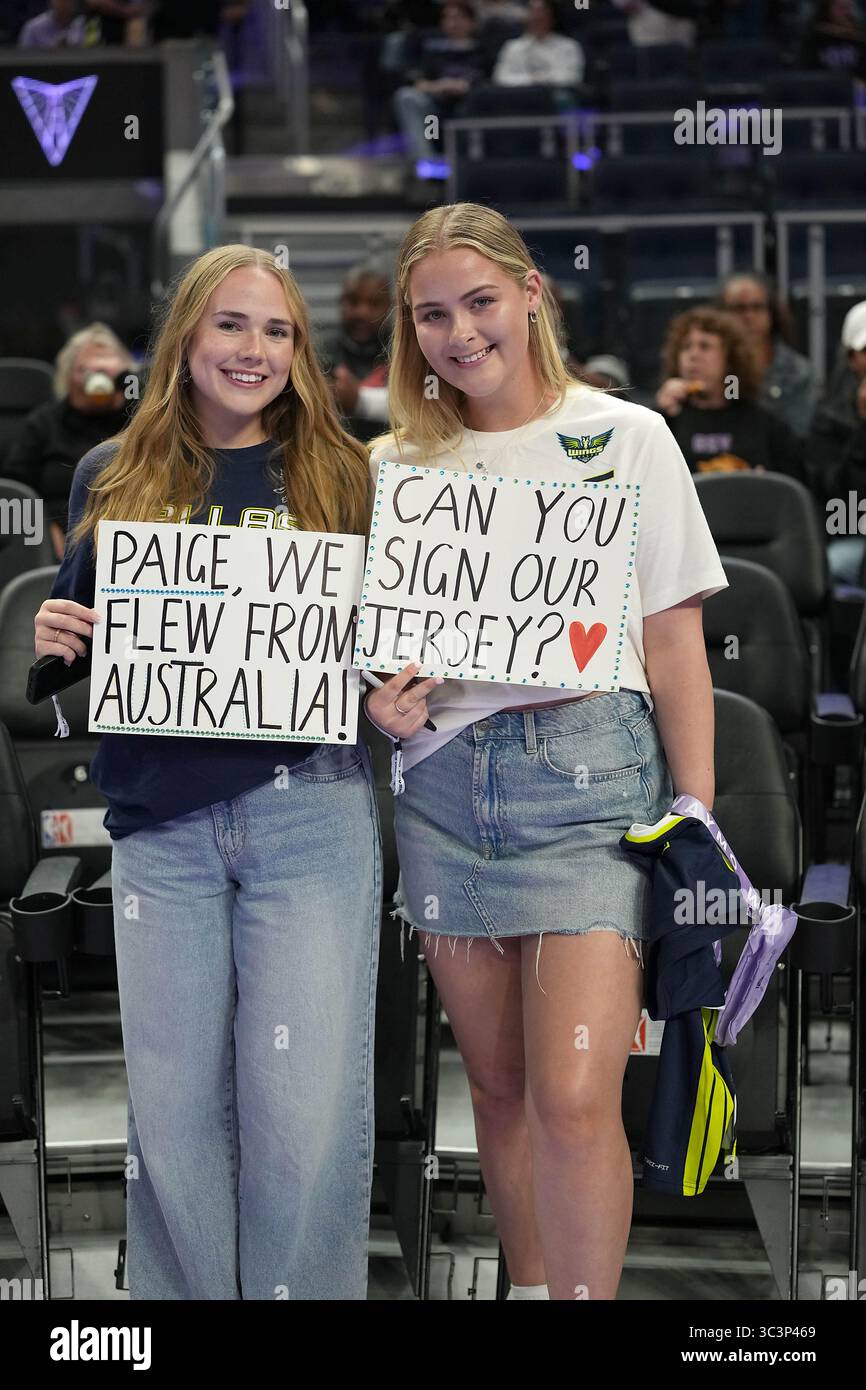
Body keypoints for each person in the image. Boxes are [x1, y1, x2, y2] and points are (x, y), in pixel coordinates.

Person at [363, 201, 729, 1300]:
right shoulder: (388, 462)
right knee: (502, 1088)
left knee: (575, 1094)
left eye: (479, 301)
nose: (458, 332)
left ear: (531, 294)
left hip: (591, 786)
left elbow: (671, 641)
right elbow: (373, 654)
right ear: (408, 330)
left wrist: (695, 817)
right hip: (442, 788)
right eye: (432, 315)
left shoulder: (628, 436)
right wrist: (381, 705)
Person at [32, 245, 382, 1299]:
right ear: (185, 338)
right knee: (174, 1110)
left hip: (311, 818)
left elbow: (370, 658)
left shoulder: (346, 474)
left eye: (277, 330)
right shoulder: (113, 475)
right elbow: (76, 664)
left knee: (303, 1108)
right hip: (162, 828)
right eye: (231, 325)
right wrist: (60, 634)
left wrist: (389, 704)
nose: (254, 349)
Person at [4, 323, 137, 560]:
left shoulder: (139, 418)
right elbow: (15, 491)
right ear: (69, 376)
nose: (98, 375)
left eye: (107, 368)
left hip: (130, 536)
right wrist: (42, 530)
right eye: (85, 368)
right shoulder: (45, 423)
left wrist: (125, 382)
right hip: (57, 539)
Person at [655, 305, 804, 478]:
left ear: (731, 360)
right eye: (686, 347)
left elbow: (794, 492)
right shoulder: (664, 423)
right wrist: (659, 413)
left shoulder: (766, 425)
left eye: (705, 346)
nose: (693, 355)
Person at [806, 299, 866, 582]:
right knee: (834, 565)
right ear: (852, 358)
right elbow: (837, 501)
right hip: (854, 537)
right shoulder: (829, 418)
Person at [718, 271, 818, 439]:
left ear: (772, 314)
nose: (748, 316)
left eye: (757, 307)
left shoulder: (797, 371)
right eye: (738, 308)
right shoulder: (713, 367)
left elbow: (799, 434)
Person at [393, 1, 493, 165]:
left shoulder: (483, 51)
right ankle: (428, 162)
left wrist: (467, 87)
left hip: (471, 106)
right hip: (435, 113)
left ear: (472, 22)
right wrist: (439, 86)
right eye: (447, 18)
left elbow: (491, 81)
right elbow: (419, 82)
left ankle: (478, 163)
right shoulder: (432, 51)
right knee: (407, 97)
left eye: (458, 18)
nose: (453, 23)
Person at [320, 263, 392, 444]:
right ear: (341, 302)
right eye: (353, 302)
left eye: (374, 303)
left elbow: (425, 408)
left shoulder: (408, 353)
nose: (362, 312)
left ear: (390, 306)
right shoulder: (318, 353)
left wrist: (359, 400)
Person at [492, 0, 584, 86]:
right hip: (520, 96)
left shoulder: (568, 46)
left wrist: (541, 80)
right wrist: (532, 80)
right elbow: (501, 77)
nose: (537, 17)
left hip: (554, 96)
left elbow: (572, 78)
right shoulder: (513, 47)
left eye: (542, 13)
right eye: (533, 13)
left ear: (551, 17)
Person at [801, 0, 866, 77]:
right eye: (841, 8)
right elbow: (807, 70)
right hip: (824, 84)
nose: (846, 13)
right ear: (828, 8)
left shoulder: (857, 34)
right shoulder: (814, 36)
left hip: (854, 85)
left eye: (848, 8)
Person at [16, 0, 87, 46]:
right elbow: (23, 61)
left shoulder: (83, 25)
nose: (65, 4)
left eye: (68, 1)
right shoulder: (33, 28)